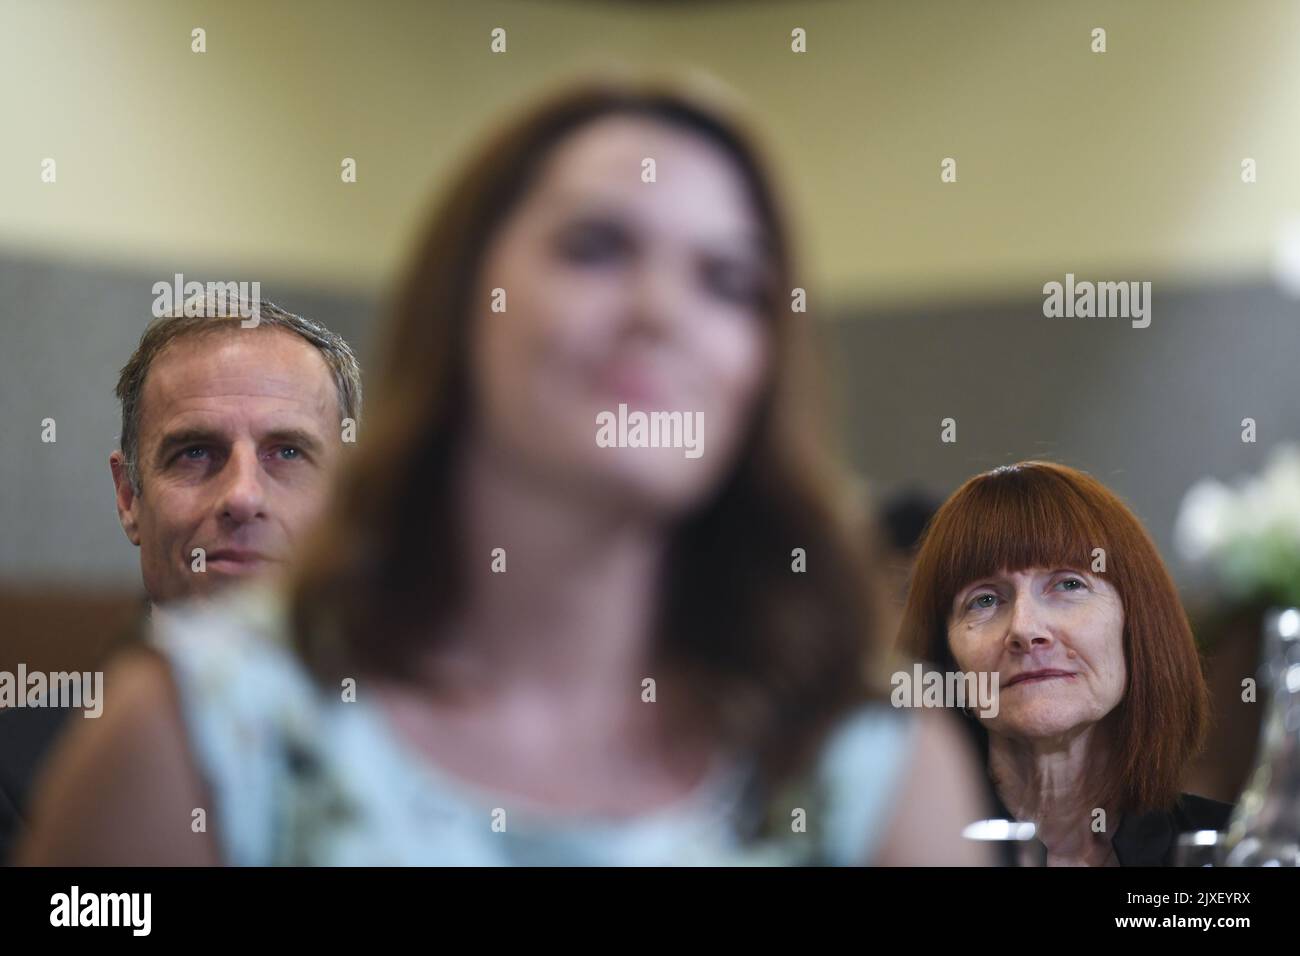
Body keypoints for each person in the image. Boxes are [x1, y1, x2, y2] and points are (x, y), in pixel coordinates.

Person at [19, 76, 990, 866]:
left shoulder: (870, 770)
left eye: (728, 280)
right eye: (597, 246)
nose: (662, 308)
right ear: (464, 306)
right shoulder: (202, 737)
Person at [0, 298, 361, 863]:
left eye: (287, 452)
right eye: (196, 452)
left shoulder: (440, 759)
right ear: (128, 498)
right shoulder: (15, 768)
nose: (243, 497)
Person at [899, 461, 1233, 865]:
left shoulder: (1235, 851)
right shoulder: (899, 852)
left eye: (1068, 584)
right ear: (945, 658)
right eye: (984, 600)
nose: (1025, 628)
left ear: (1137, 624)